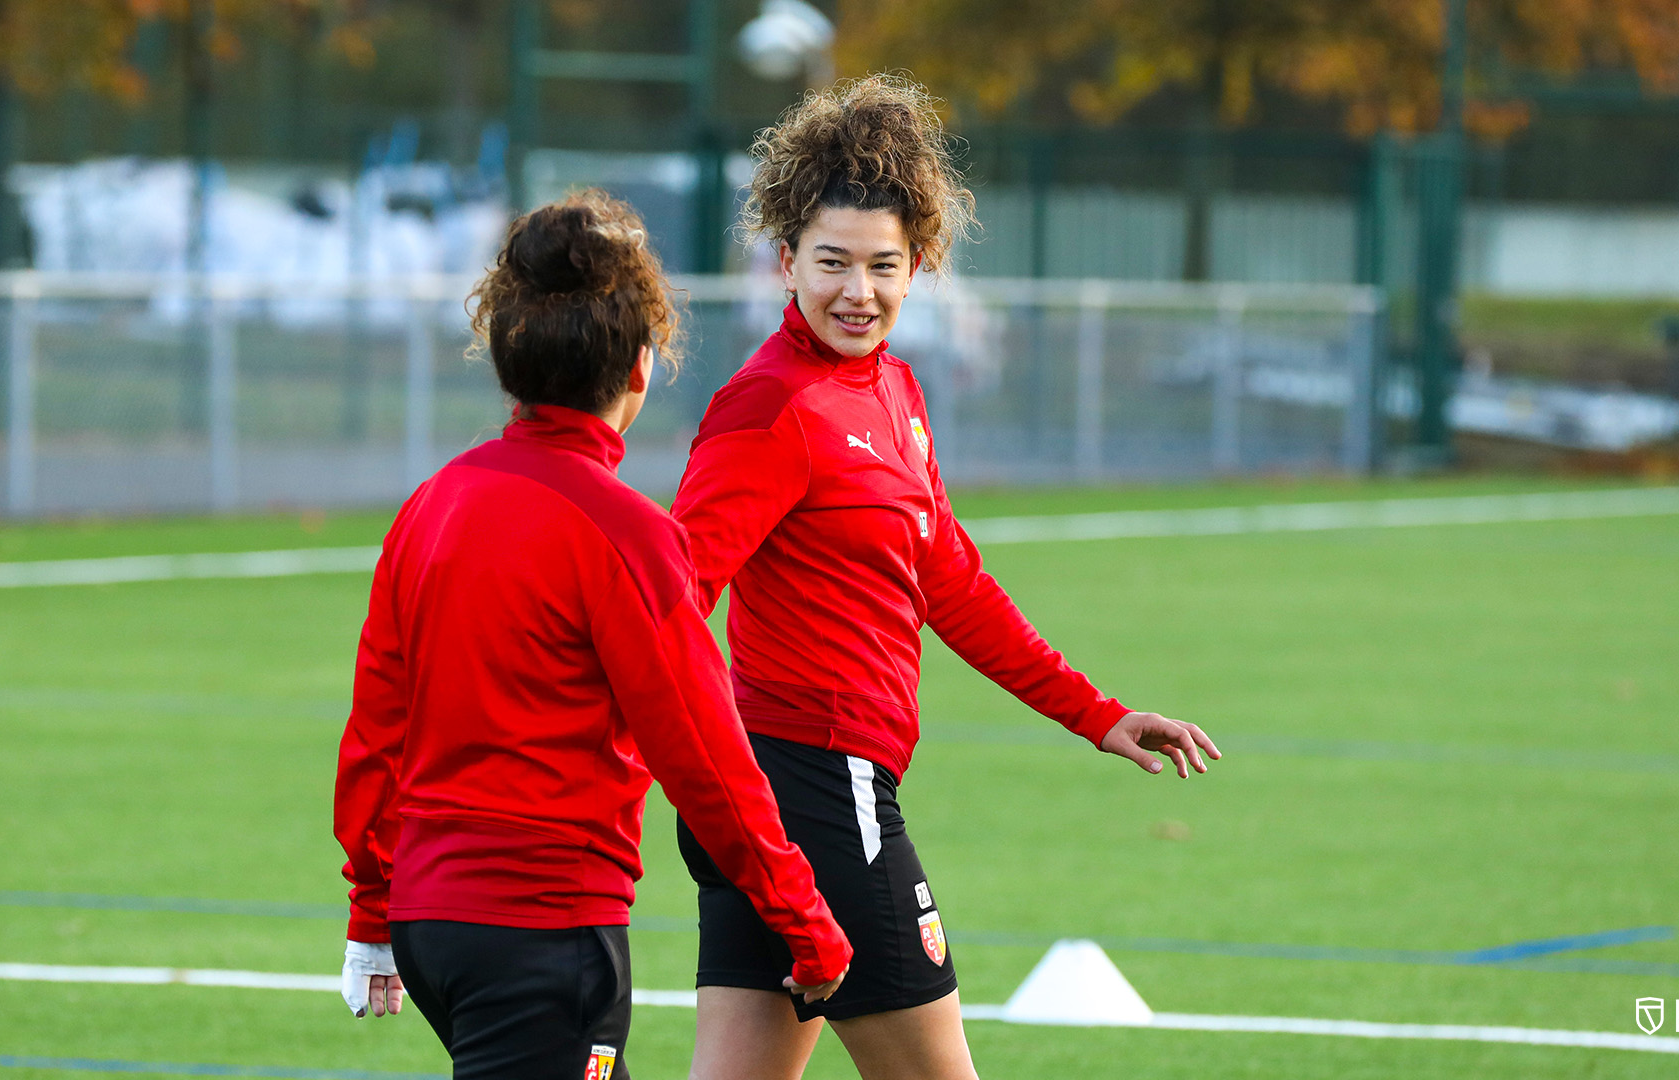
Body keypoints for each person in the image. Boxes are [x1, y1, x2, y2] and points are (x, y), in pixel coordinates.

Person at [671, 75, 1221, 1080]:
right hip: (813, 789)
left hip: (795, 789)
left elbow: (950, 584)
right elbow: (666, 604)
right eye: (831, 262)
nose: (858, 290)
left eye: (884, 266)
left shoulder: (892, 390)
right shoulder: (769, 409)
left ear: (920, 264)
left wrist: (1097, 713)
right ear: (784, 258)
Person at [332, 190, 852, 1079]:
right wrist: (803, 917)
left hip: (432, 924)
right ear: (642, 366)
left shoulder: (432, 505)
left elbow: (377, 724)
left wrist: (374, 911)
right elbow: (704, 753)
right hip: (544, 927)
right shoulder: (628, 532)